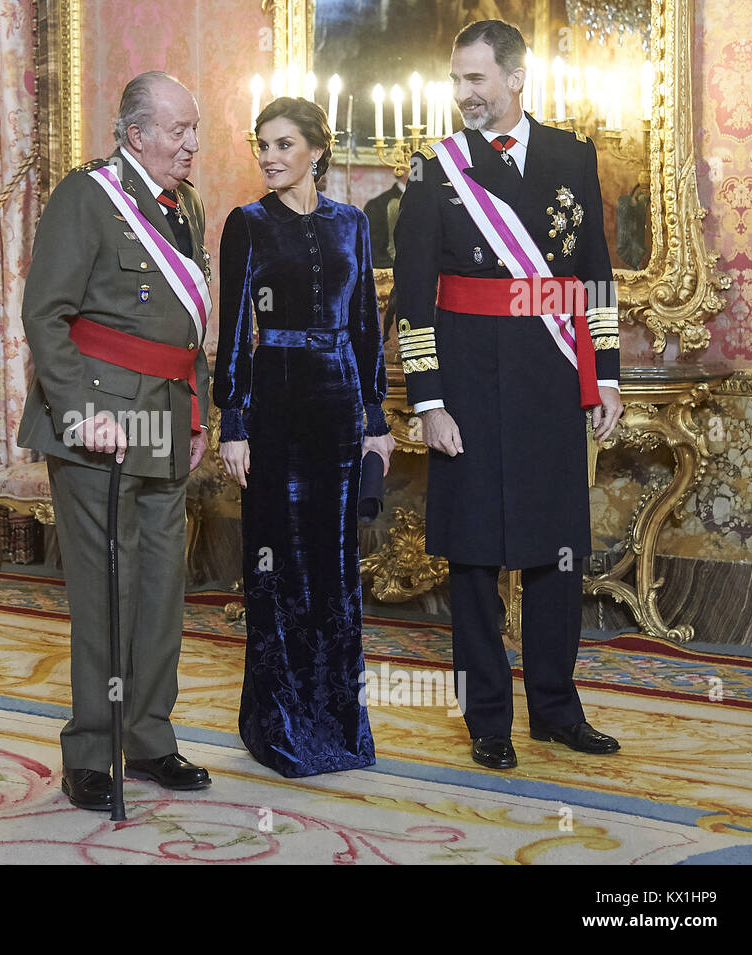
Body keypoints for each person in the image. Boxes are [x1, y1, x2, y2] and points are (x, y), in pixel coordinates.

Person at [392, 20, 623, 770]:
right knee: (473, 558)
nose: (464, 94)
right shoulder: (437, 168)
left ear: (516, 79)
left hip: (552, 379)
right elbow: (414, 298)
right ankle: (487, 718)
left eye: (477, 79)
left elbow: (593, 273)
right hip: (468, 380)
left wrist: (606, 374)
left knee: (557, 554)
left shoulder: (570, 154)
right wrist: (429, 401)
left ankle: (556, 709)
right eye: (458, 79)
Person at [17, 71, 213, 811]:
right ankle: (92, 751)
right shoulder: (86, 196)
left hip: (164, 420)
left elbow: (187, 328)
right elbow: (47, 315)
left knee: (163, 588)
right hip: (99, 423)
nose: (191, 143)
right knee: (106, 592)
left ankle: (151, 739)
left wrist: (195, 413)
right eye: (177, 130)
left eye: (194, 129)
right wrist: (77, 414)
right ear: (135, 134)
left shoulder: (184, 205)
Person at [215, 96, 396, 778]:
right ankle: (279, 725)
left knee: (334, 570)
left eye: (283, 144)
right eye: (262, 144)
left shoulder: (353, 224)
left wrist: (375, 416)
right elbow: (234, 331)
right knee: (275, 567)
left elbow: (366, 329)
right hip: (276, 407)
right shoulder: (247, 225)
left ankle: (339, 726)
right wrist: (234, 422)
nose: (269, 156)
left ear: (317, 151)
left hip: (340, 407)